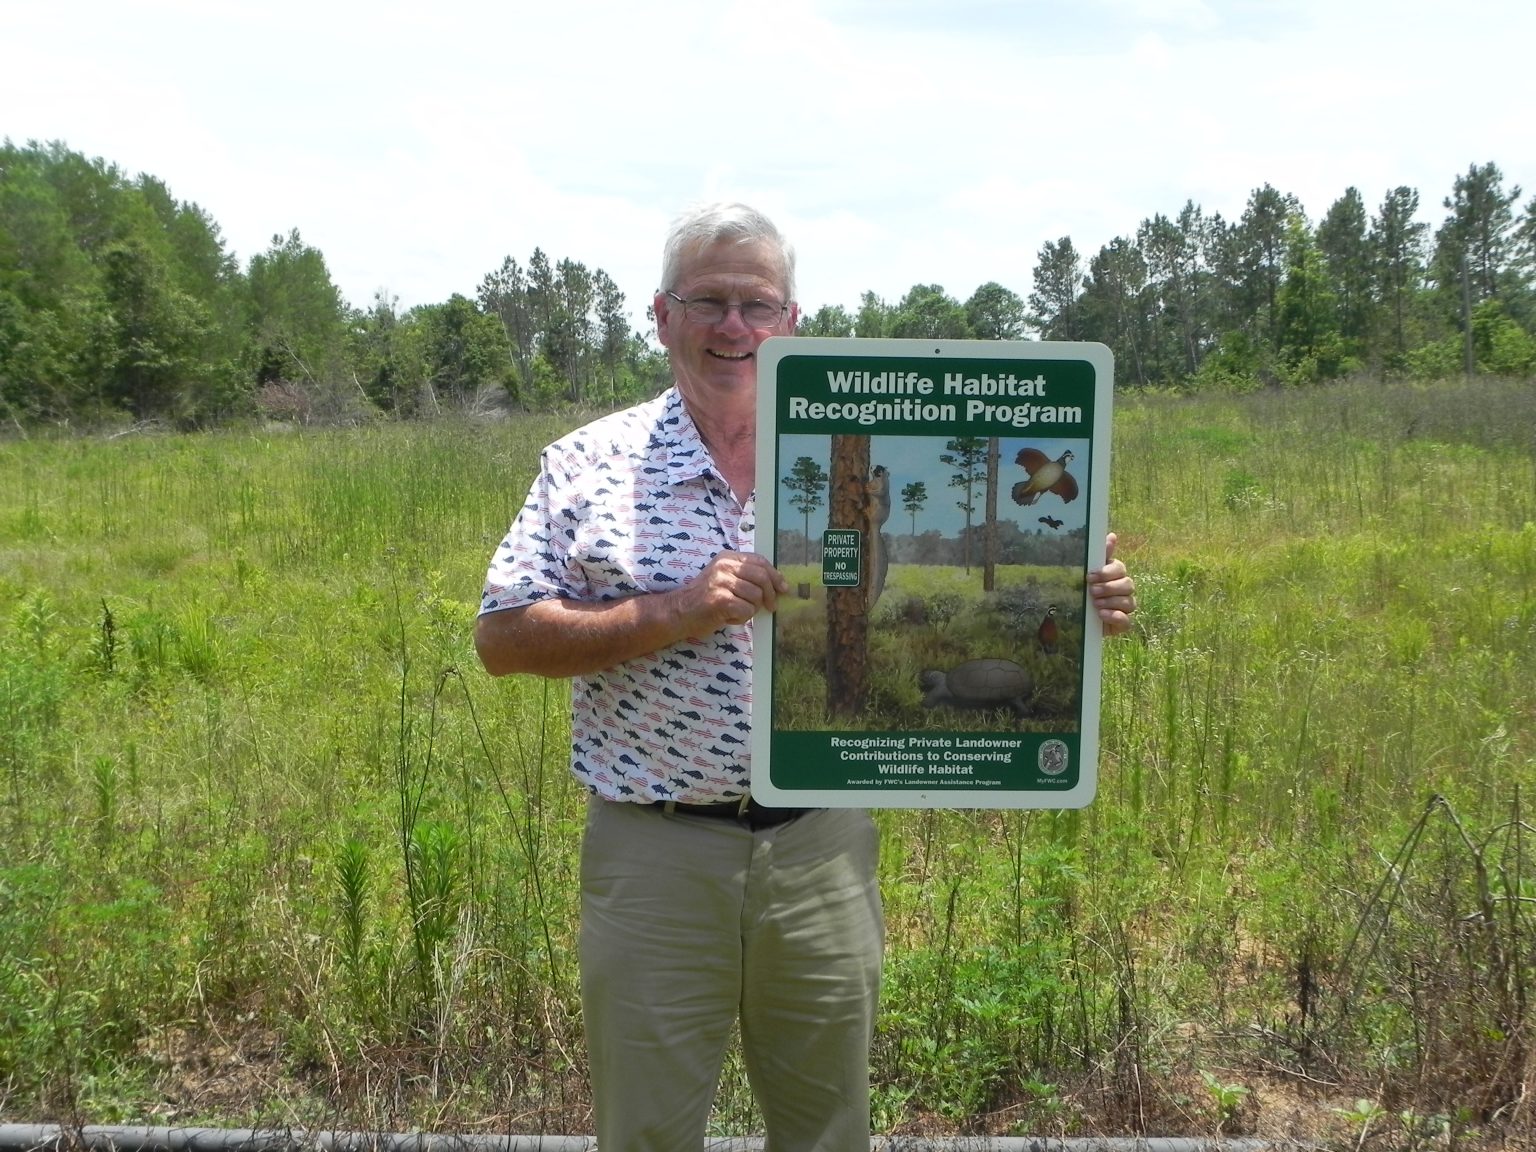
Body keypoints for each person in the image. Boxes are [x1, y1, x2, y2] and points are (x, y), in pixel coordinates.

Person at [474, 201, 1139, 1152]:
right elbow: (502, 638)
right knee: (646, 1132)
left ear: (791, 321)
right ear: (661, 316)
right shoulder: (587, 464)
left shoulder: (849, 451)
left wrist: (1076, 603)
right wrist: (674, 610)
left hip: (820, 845)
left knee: (828, 1131)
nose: (733, 325)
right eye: (706, 301)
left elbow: (930, 577)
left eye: (757, 304)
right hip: (656, 850)